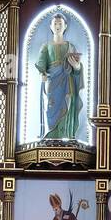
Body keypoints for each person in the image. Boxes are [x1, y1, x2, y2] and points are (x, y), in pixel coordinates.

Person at [35, 12, 84, 140]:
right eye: (55, 23)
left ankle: (65, 135)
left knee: (67, 105)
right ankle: (51, 135)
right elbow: (41, 65)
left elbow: (77, 68)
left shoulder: (70, 47)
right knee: (51, 107)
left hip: (67, 83)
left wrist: (77, 67)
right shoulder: (46, 46)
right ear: (51, 26)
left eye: (60, 24)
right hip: (52, 82)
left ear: (65, 26)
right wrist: (43, 73)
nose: (57, 26)